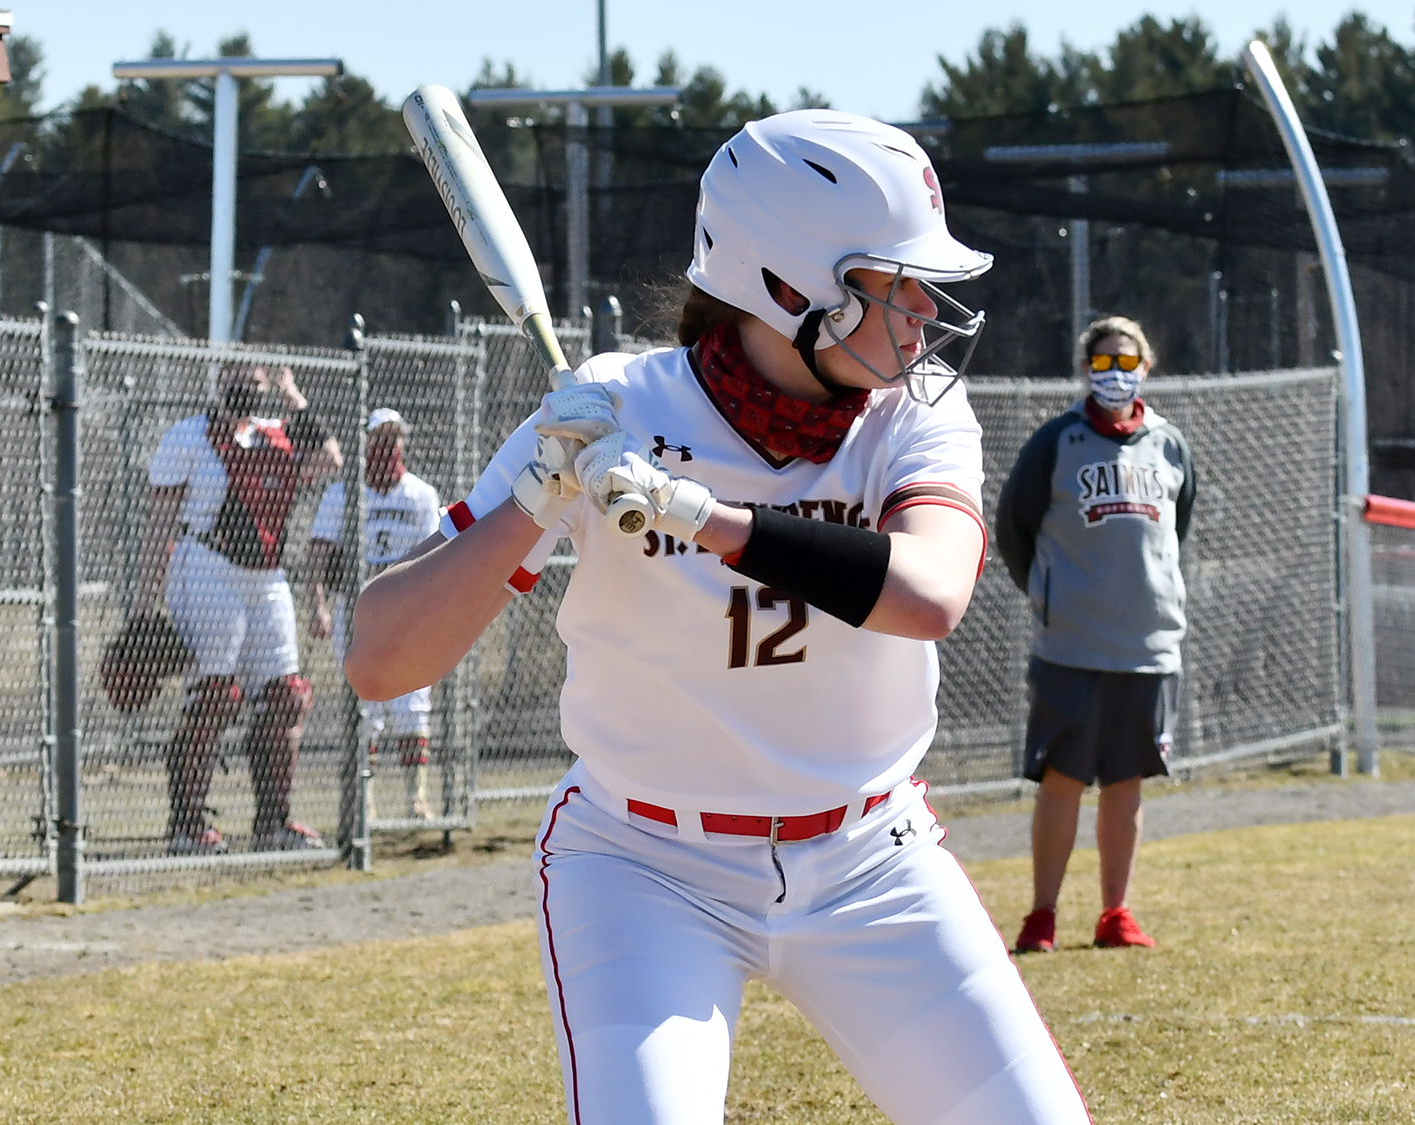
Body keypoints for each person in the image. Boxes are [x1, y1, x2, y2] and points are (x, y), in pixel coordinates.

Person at [346, 110, 1090, 1124]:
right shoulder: (605, 409)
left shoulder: (911, 414)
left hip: (872, 858)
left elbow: (929, 594)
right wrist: (535, 495)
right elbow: (381, 661)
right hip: (645, 868)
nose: (923, 309)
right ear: (786, 288)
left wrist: (699, 516)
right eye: (888, 281)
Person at [995, 316, 1196, 954]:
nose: (1117, 373)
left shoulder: (1169, 444)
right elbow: (1013, 526)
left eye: (1127, 361)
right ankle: (1042, 916)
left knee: (1127, 779)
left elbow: (1177, 529)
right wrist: (1050, 596)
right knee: (1063, 778)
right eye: (1104, 363)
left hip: (1147, 644)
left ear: (1147, 365)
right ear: (1086, 369)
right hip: (1072, 646)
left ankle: (1116, 913)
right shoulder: (1058, 441)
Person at [134, 362, 343, 855]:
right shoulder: (191, 436)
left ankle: (274, 821)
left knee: (287, 696)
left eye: (253, 382)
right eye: (233, 380)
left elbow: (329, 460)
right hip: (207, 562)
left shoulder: (276, 436)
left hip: (267, 575)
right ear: (216, 383)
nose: (243, 390)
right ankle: (187, 825)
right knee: (215, 696)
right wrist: (146, 602)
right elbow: (160, 519)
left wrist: (295, 399)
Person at [307, 407, 445, 820]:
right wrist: (317, 605)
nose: (388, 446)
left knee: (411, 704)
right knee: (364, 705)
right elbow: (318, 553)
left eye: (395, 437)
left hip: (408, 609)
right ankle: (363, 805)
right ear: (366, 443)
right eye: (380, 438)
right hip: (358, 606)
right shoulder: (342, 494)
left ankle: (416, 800)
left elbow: (436, 556)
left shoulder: (422, 494)